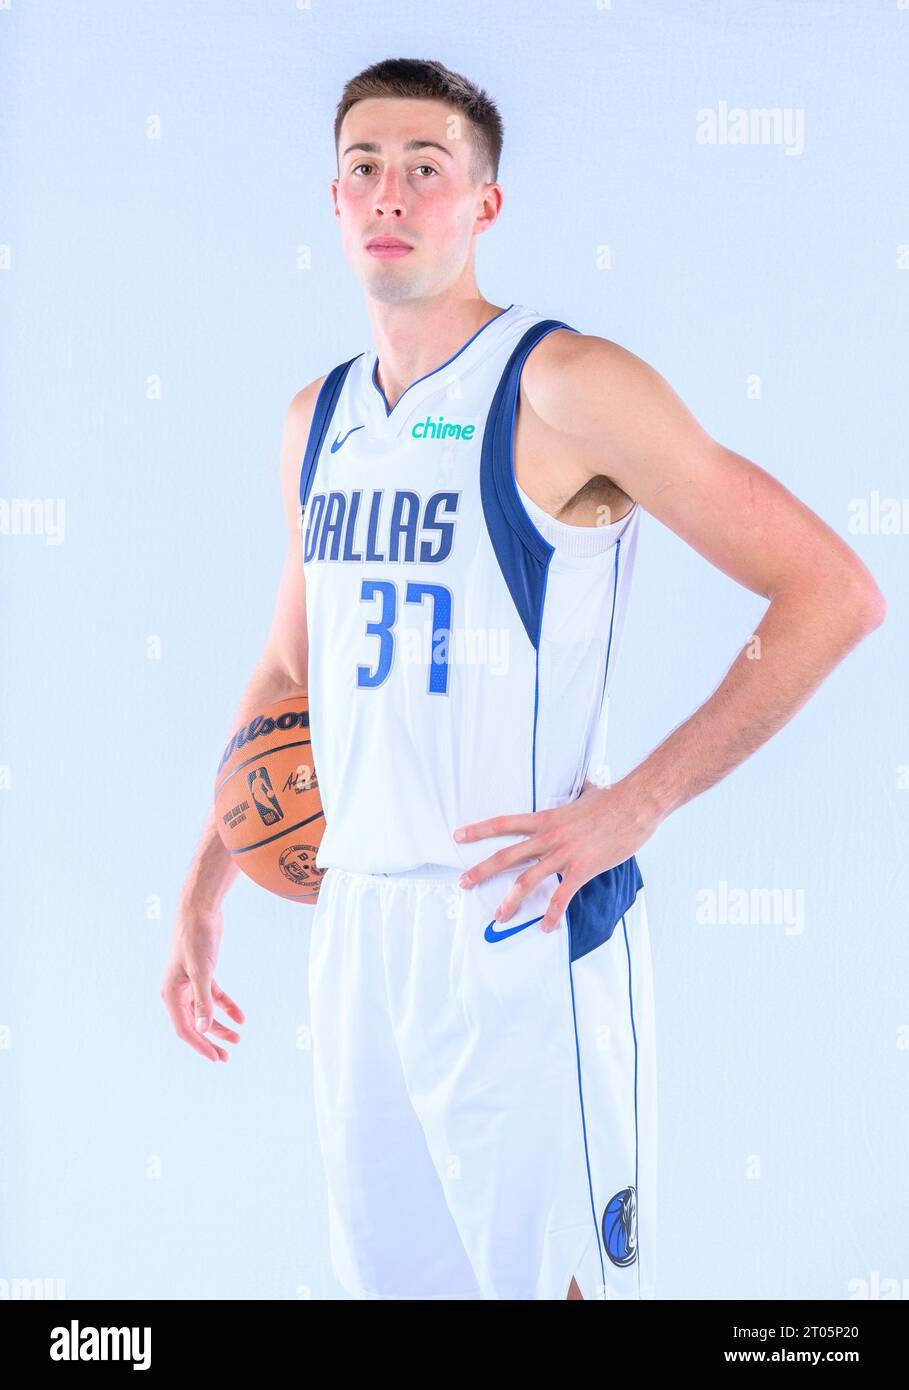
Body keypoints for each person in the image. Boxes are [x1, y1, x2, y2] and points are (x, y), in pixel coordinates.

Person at [161, 58, 886, 1301]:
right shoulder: (315, 418)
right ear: (332, 201)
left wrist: (633, 806)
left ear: (484, 205)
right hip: (359, 929)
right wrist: (204, 884)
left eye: (426, 170)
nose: (392, 192)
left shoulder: (563, 385)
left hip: (519, 920)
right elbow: (293, 662)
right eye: (365, 167)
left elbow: (833, 593)